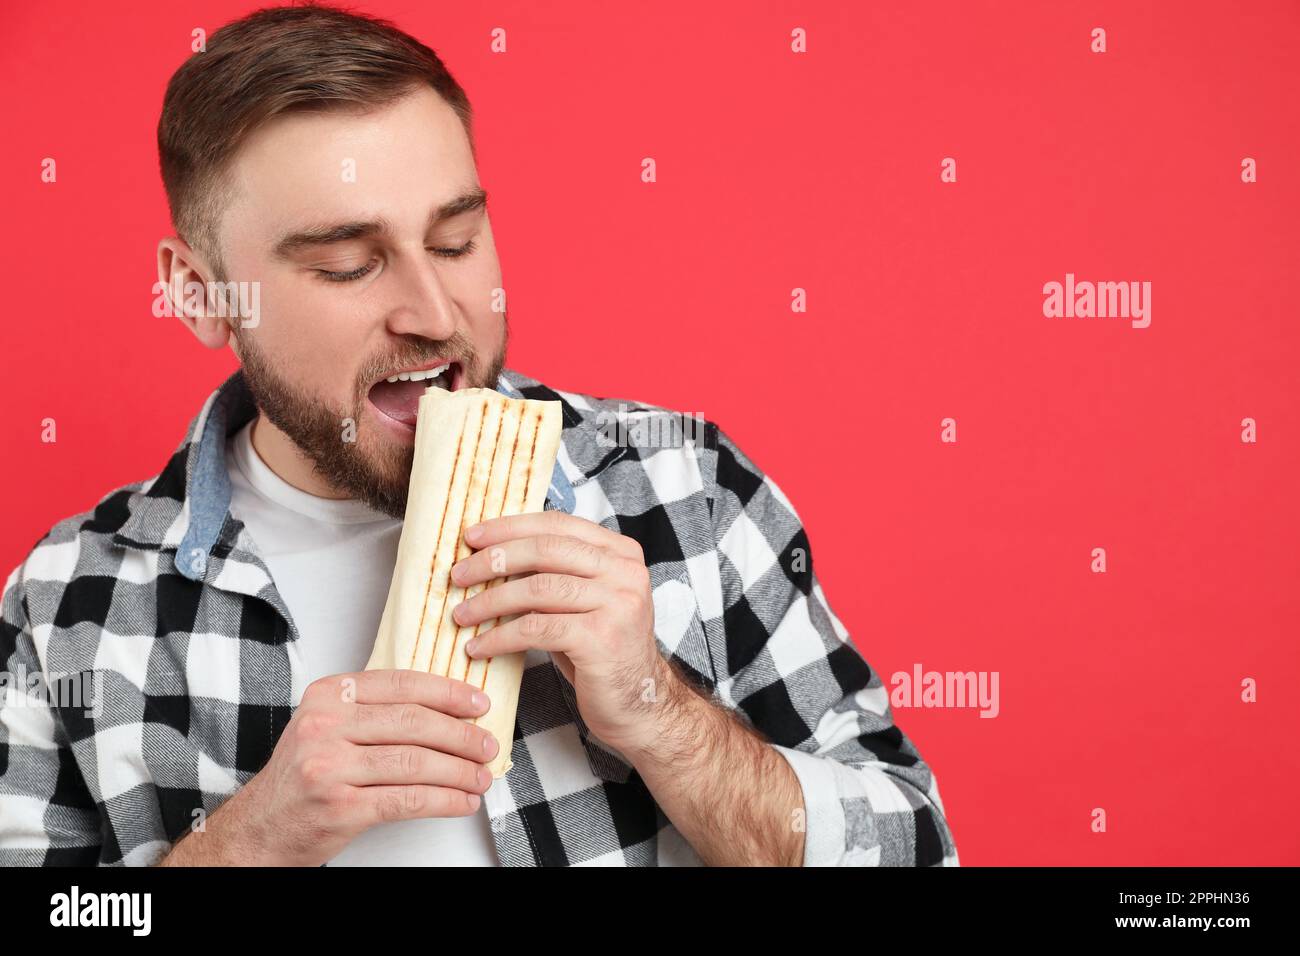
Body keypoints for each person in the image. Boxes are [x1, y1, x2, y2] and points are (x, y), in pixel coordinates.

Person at [0, 3, 957, 867]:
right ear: (200, 293)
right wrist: (251, 844)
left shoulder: (683, 492)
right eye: (346, 264)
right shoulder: (70, 603)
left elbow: (918, 853)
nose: (432, 309)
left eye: (457, 241)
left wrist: (661, 716)